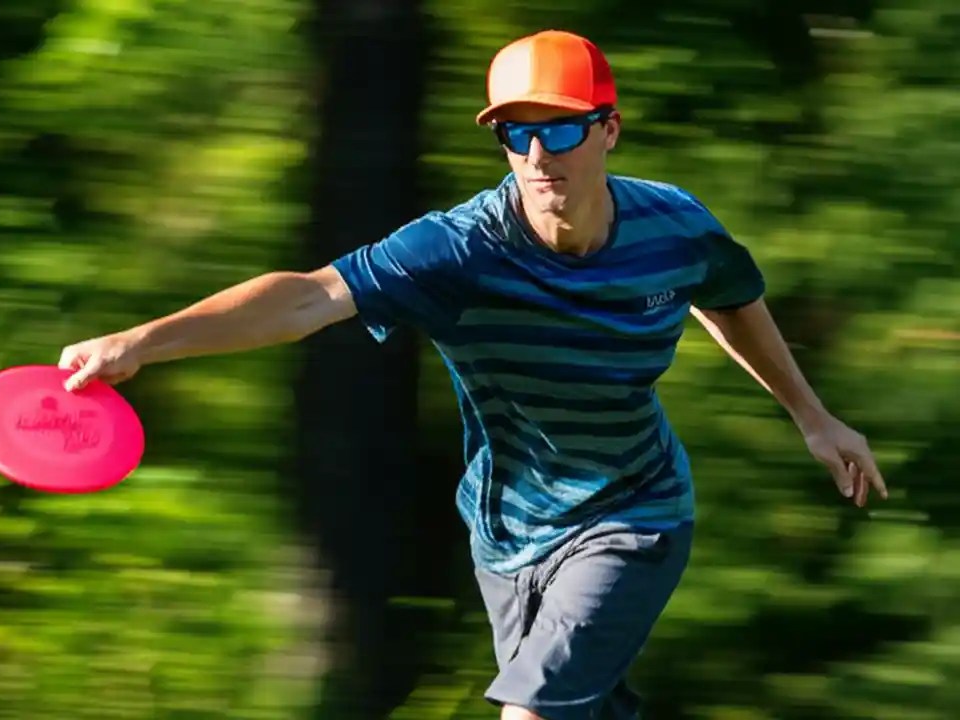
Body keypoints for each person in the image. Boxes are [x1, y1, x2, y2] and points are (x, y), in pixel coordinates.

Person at [57, 29, 889, 720]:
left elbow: (731, 298)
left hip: (635, 514)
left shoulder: (675, 228)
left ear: (609, 129)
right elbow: (308, 299)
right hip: (506, 534)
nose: (536, 154)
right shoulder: (458, 251)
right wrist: (144, 341)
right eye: (515, 133)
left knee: (529, 713)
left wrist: (813, 417)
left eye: (559, 130)